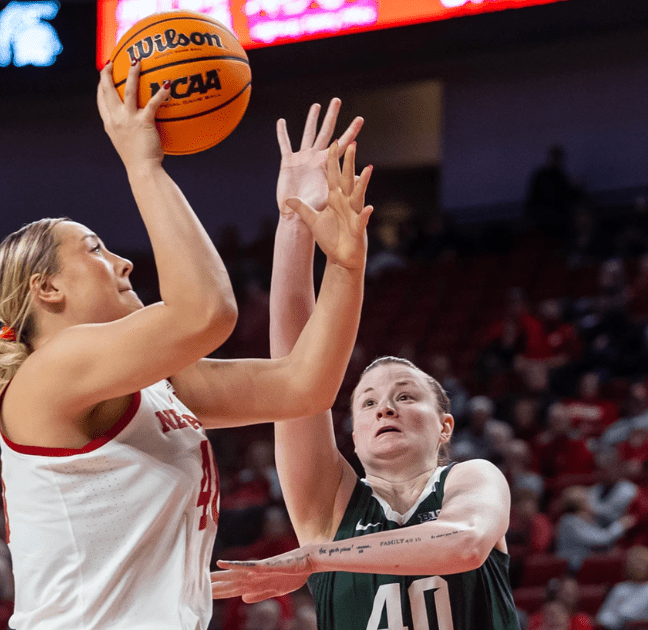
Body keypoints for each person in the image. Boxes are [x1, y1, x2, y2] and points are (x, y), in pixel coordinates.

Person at [0, 73, 371, 630]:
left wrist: (340, 260)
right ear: (47, 289)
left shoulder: (150, 385)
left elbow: (304, 387)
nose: (123, 262)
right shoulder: (51, 372)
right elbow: (206, 312)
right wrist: (143, 164)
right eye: (96, 249)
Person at [210, 103, 519, 630]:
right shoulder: (330, 503)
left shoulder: (471, 478)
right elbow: (293, 366)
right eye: (369, 402)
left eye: (405, 395)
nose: (385, 408)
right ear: (351, 435)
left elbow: (464, 543)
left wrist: (315, 557)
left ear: (445, 426)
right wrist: (294, 220)